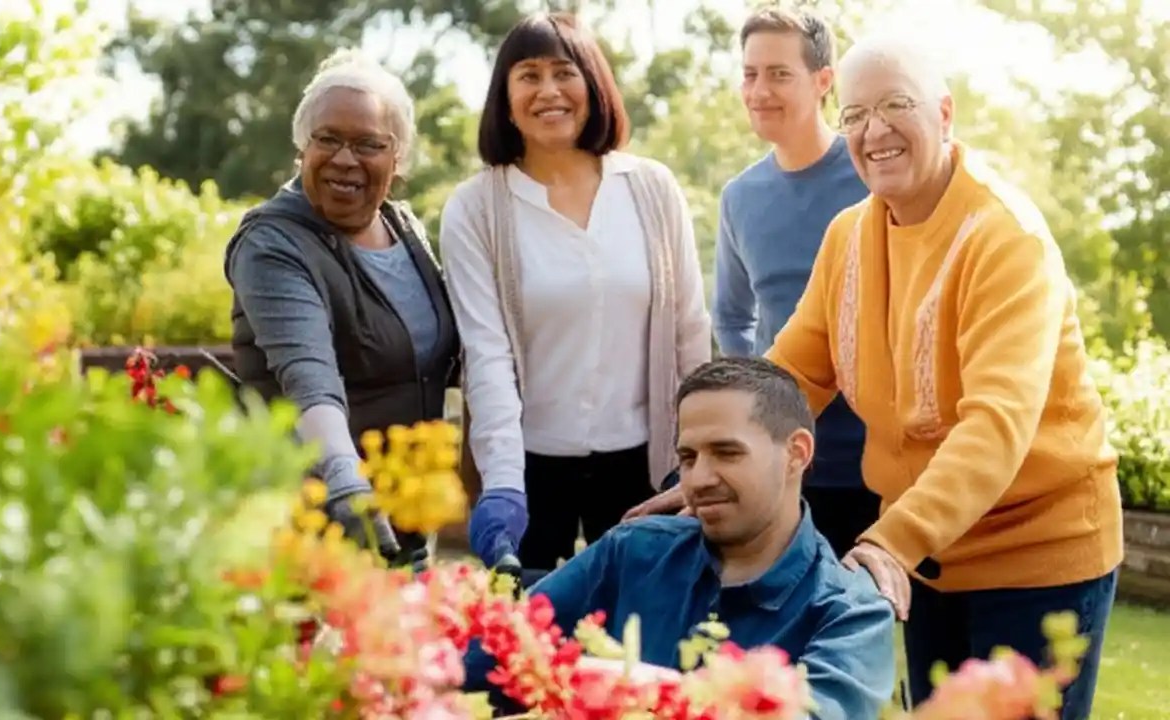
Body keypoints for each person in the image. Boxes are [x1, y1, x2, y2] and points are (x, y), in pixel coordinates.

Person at [631, 36, 1125, 718]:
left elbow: (996, 425)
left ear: (945, 114)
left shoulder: (1004, 237)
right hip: (927, 560)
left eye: (897, 106)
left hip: (1036, 561)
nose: (874, 131)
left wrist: (888, 541)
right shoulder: (849, 234)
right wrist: (707, 466)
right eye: (855, 115)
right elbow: (790, 373)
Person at [463, 357, 897, 720]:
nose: (700, 479)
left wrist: (616, 687)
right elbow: (486, 656)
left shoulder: (850, 615)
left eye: (727, 453)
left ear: (797, 453)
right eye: (688, 457)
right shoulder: (631, 552)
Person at [439, 12, 712, 574]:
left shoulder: (652, 190)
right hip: (530, 471)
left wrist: (694, 458)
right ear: (504, 97)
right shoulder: (475, 209)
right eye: (528, 76)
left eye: (564, 72)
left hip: (646, 466)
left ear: (593, 85)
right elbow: (485, 356)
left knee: (650, 642)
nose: (548, 91)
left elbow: (690, 334)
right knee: (529, 647)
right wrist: (503, 486)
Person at [628, 7, 877, 557]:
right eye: (749, 73)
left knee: (867, 627)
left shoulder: (870, 175)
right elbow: (733, 318)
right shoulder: (740, 196)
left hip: (876, 461)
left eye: (778, 74)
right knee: (771, 633)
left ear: (823, 81)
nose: (759, 90)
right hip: (783, 460)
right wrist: (762, 394)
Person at [224, 50, 461, 568]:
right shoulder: (271, 245)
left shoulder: (405, 228)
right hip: (316, 526)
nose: (344, 159)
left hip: (404, 524)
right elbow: (308, 376)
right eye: (327, 139)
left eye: (368, 144)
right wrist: (344, 478)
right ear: (301, 149)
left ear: (396, 160)